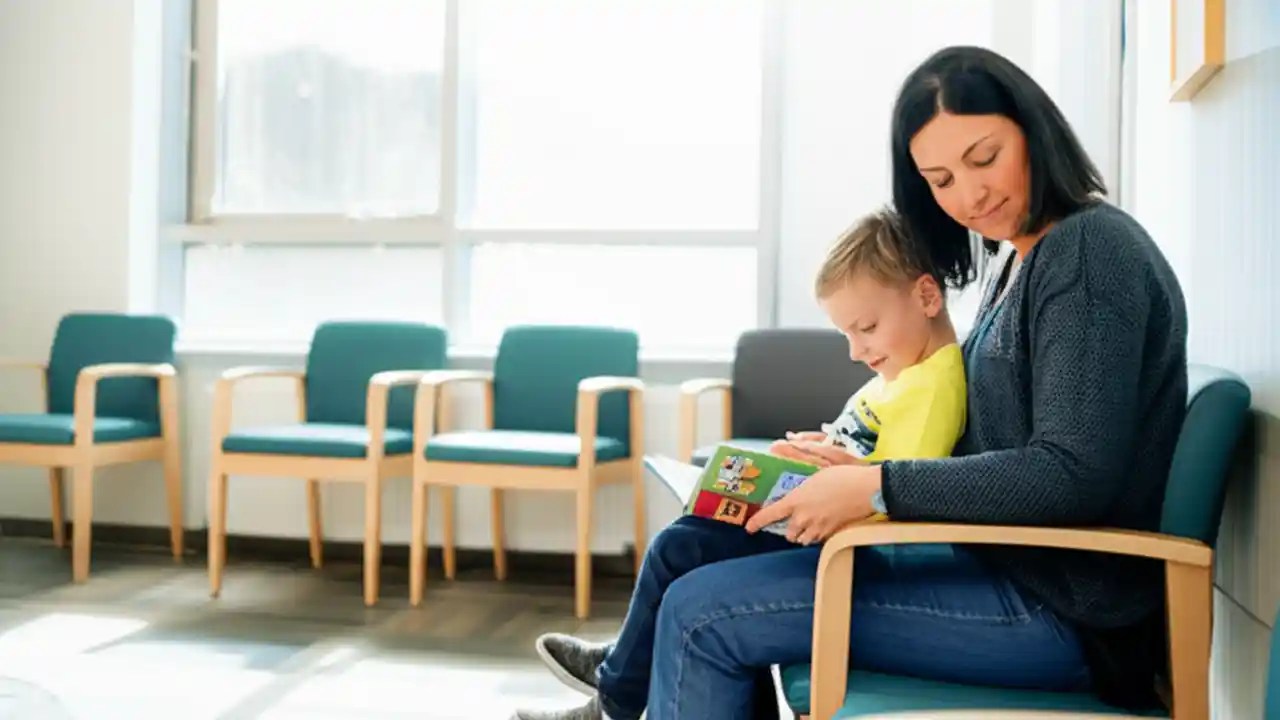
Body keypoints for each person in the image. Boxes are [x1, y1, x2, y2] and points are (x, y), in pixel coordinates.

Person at [526, 44, 1187, 719]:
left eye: (984, 158)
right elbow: (999, 449)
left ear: (1033, 129)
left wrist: (874, 483)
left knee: (703, 612)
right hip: (1007, 573)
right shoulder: (1014, 262)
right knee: (701, 573)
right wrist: (851, 466)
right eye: (940, 179)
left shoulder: (1087, 253)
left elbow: (1073, 472)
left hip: (1061, 614)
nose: (970, 194)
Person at [512, 208, 967, 720]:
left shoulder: (932, 385)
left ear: (927, 296)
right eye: (846, 334)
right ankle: (619, 672)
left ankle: (615, 687)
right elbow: (878, 459)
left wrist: (844, 471)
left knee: (679, 546)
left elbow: (904, 490)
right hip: (827, 532)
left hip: (850, 552)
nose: (855, 350)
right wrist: (827, 450)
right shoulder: (906, 372)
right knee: (691, 537)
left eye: (866, 328)